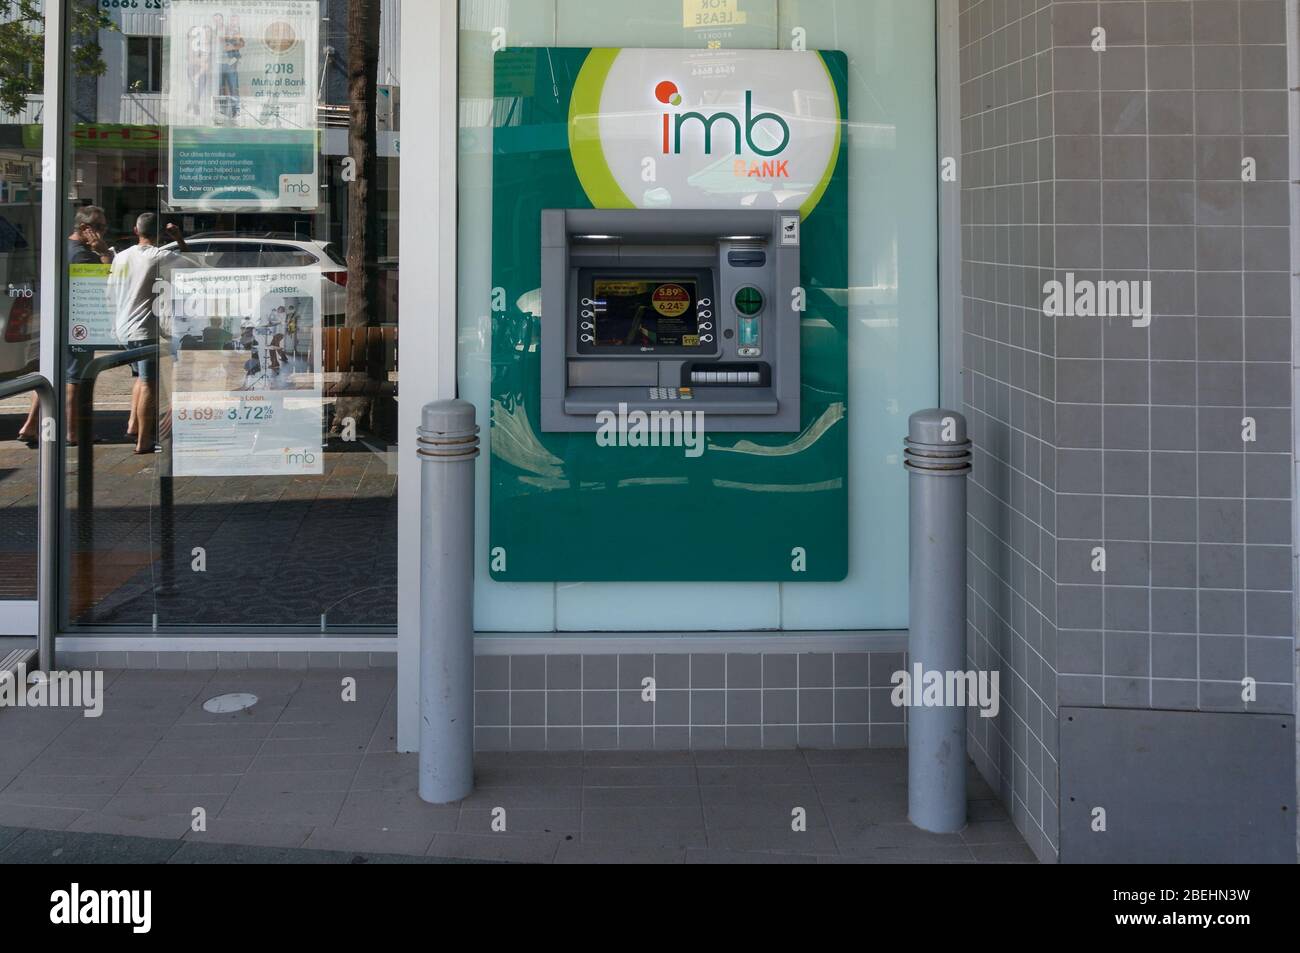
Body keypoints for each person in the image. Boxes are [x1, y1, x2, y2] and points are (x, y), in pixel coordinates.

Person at [16, 205, 111, 448]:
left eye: (104, 227)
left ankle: (30, 426)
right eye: (99, 227)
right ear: (84, 228)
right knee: (74, 379)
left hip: (56, 321)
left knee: (53, 375)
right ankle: (72, 432)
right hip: (77, 324)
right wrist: (104, 255)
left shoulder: (61, 248)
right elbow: (105, 285)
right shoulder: (83, 254)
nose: (104, 231)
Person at [106, 213, 188, 454]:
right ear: (160, 234)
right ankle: (144, 441)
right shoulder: (158, 256)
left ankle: (133, 425)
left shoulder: (120, 257)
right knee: (150, 383)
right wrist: (179, 238)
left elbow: (110, 292)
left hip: (122, 327)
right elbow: (191, 262)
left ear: (135, 230)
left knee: (140, 379)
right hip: (142, 330)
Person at [218, 14, 245, 120]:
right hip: (220, 63)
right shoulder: (224, 31)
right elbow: (221, 43)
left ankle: (236, 110)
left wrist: (232, 46)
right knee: (221, 87)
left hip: (231, 64)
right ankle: (222, 109)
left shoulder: (238, 34)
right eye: (232, 20)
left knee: (233, 87)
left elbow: (241, 44)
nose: (233, 23)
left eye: (235, 21)